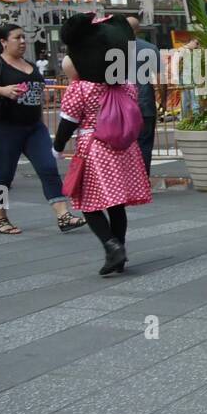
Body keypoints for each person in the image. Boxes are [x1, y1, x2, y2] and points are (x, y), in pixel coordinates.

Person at [53, 15, 152, 275]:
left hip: (95, 149)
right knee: (116, 204)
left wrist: (58, 145)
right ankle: (119, 245)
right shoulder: (125, 87)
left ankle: (111, 247)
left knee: (90, 204)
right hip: (124, 150)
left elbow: (68, 122)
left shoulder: (81, 88)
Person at [0, 24, 85, 235]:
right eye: (17, 38)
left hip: (33, 128)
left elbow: (37, 95)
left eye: (24, 37)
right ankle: (0, 219)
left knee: (49, 168)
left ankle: (63, 215)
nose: (23, 41)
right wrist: (2, 90)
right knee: (3, 176)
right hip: (4, 128)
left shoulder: (30, 65)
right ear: (3, 42)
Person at [126, 16, 160, 173]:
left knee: (124, 144)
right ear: (138, 29)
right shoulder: (150, 49)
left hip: (122, 106)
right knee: (145, 143)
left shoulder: (112, 50)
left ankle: (127, 181)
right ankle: (143, 181)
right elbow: (161, 78)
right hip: (144, 102)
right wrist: (163, 101)